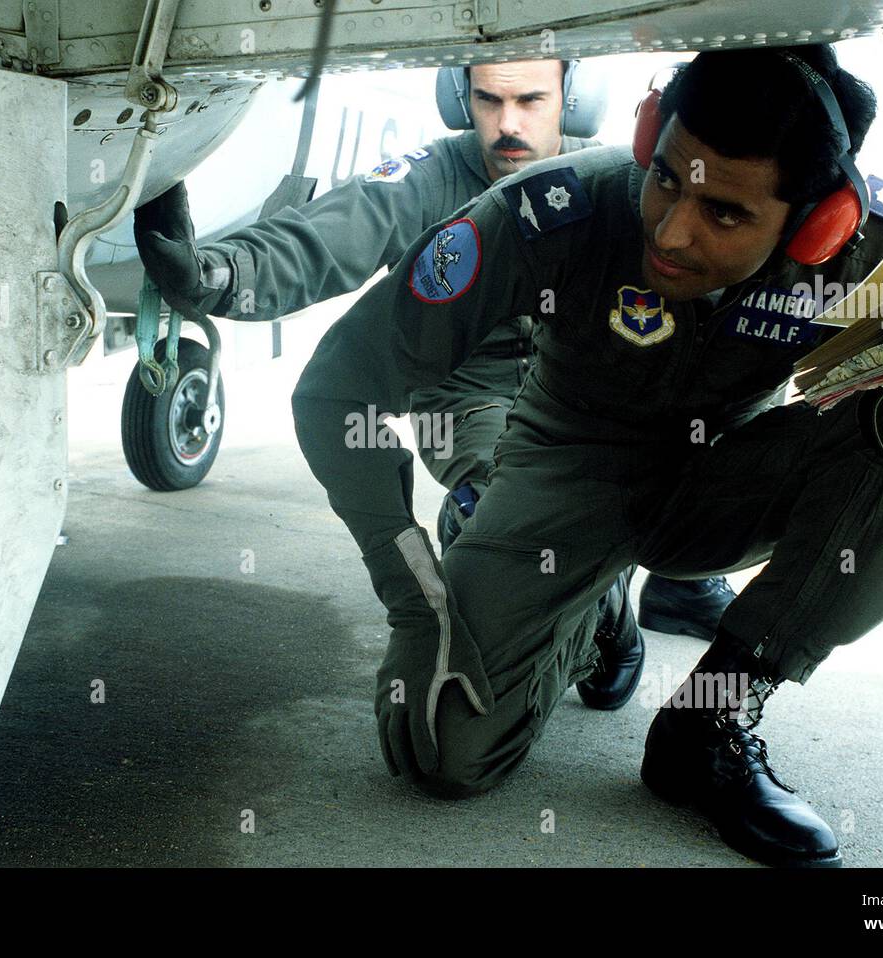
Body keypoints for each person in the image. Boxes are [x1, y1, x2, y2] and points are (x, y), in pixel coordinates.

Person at [287, 45, 883, 867]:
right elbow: (336, 391)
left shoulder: (876, 250)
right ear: (650, 137)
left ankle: (710, 721)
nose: (672, 231)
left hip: (724, 480)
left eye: (725, 214)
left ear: (817, 226)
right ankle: (594, 613)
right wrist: (414, 600)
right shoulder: (552, 212)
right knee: (441, 749)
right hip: (567, 467)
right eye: (669, 179)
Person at [134, 58, 734, 715]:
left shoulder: (620, 182)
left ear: (574, 99)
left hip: (584, 393)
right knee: (507, 503)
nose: (507, 124)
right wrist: (217, 274)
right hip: (467, 395)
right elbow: (331, 234)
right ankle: (593, 612)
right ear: (460, 97)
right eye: (488, 100)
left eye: (531, 100)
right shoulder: (430, 175)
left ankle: (634, 594)